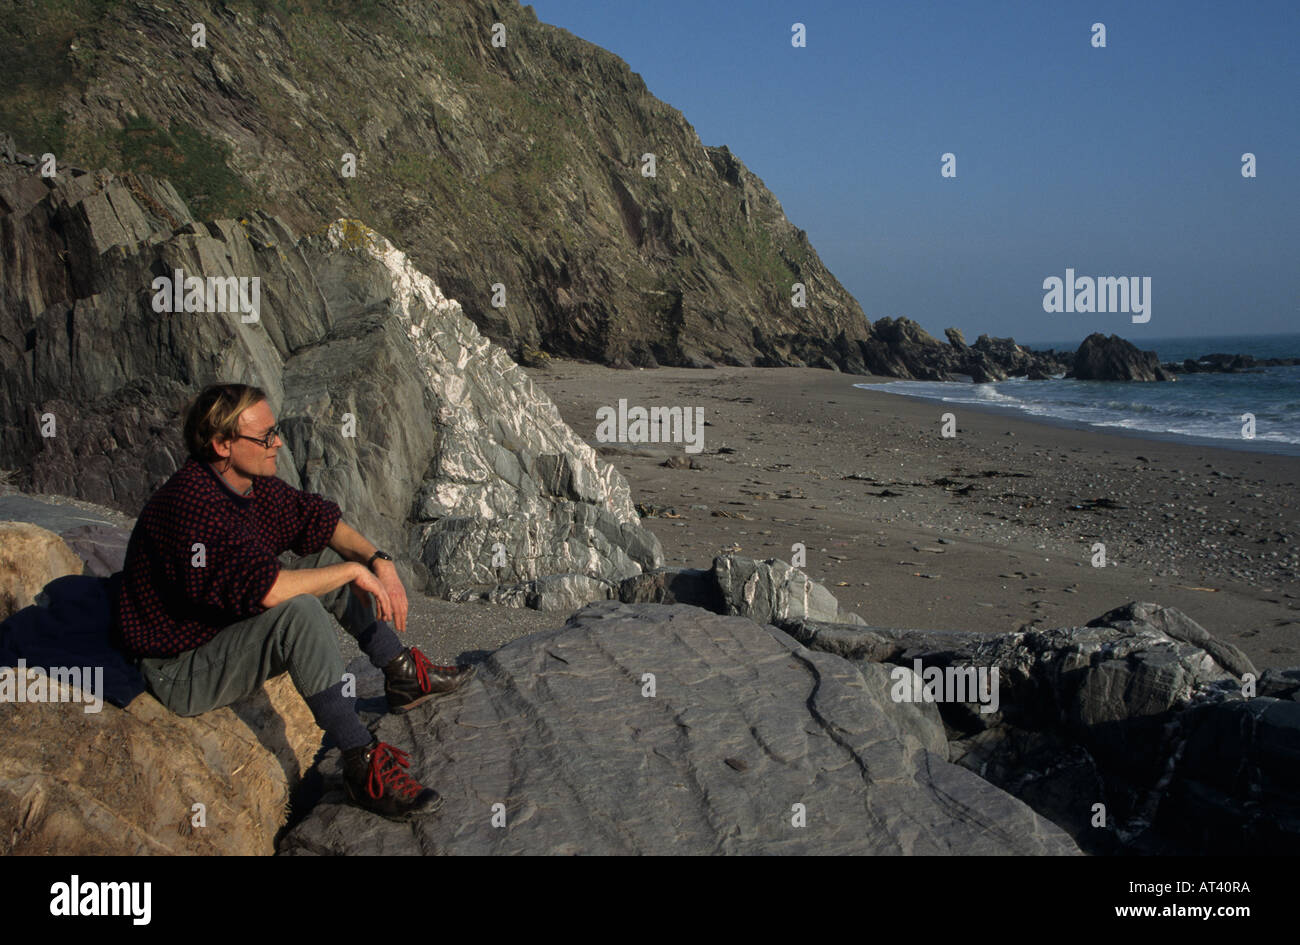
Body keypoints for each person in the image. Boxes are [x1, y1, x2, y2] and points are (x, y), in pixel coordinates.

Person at [112, 382, 474, 821]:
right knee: (300, 610)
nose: (277, 442)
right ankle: (360, 762)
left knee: (322, 557)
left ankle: (401, 675)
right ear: (222, 444)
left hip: (215, 629)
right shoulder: (192, 506)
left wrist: (378, 561)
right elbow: (266, 591)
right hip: (179, 667)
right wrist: (353, 572)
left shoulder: (246, 484)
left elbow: (317, 522)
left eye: (275, 430)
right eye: (264, 437)